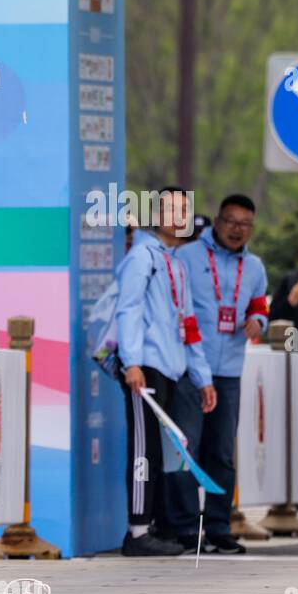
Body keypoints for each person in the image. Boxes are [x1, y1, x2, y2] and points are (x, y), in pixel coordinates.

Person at [161, 194, 268, 554]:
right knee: (185, 448)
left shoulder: (254, 267)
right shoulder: (188, 257)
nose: (237, 230)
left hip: (230, 370)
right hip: (190, 368)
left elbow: (259, 304)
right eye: (231, 221)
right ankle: (186, 527)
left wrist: (258, 322)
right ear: (217, 222)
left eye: (245, 224)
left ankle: (220, 525)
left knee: (222, 453)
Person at [114, 187, 216, 556]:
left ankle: (156, 525)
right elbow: (128, 310)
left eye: (185, 209)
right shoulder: (143, 256)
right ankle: (138, 533)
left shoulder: (175, 261)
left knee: (160, 452)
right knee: (144, 451)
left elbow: (189, 324)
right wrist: (132, 363)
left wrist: (202, 376)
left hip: (171, 371)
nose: (179, 216)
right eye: (172, 209)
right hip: (146, 368)